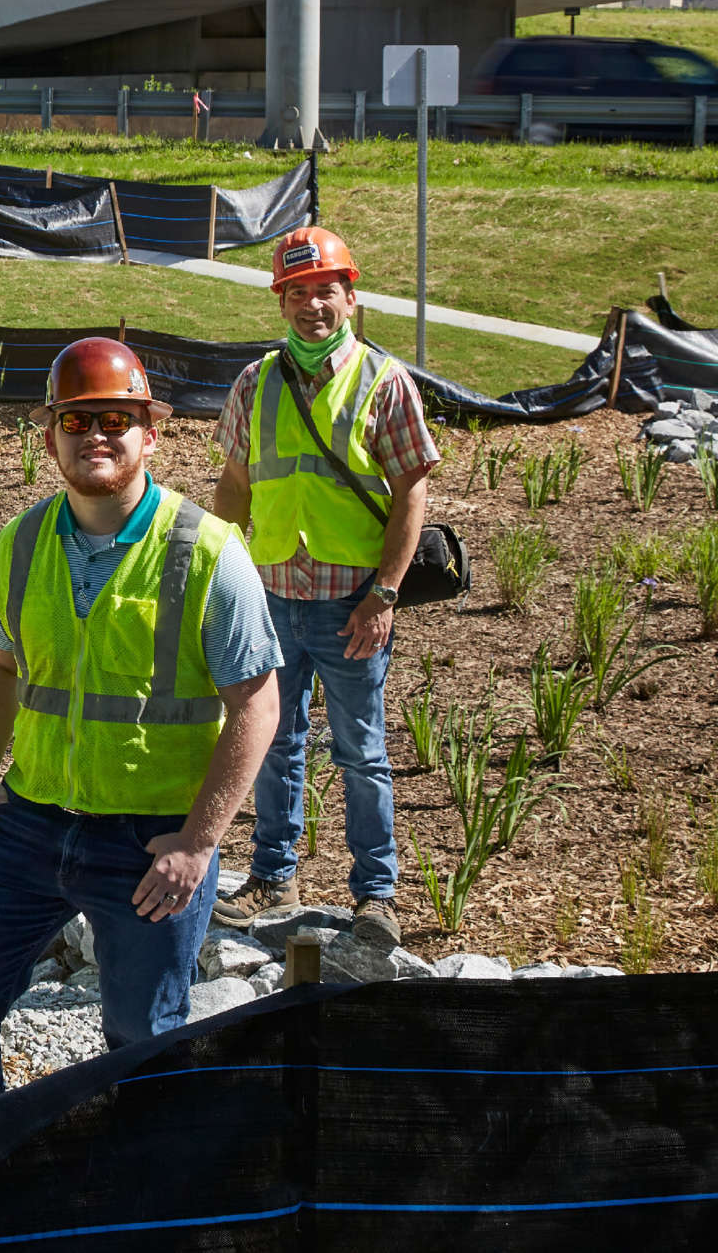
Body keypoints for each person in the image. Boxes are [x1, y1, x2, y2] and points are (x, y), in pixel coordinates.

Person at [0, 339, 281, 1113]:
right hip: (28, 823)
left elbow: (259, 705)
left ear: (151, 433)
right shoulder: (22, 542)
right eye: (77, 421)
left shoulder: (207, 550)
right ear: (50, 437)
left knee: (143, 1043)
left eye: (118, 418)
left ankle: (132, 1210)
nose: (97, 436)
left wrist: (198, 842)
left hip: (150, 845)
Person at [209, 228, 437, 950]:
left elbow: (411, 496)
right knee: (273, 743)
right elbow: (236, 486)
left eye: (326, 291)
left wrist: (387, 594)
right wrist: (218, 573)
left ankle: (376, 895)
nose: (313, 306)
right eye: (298, 292)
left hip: (353, 604)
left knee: (361, 751)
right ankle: (275, 875)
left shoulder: (385, 380)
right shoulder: (254, 383)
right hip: (272, 596)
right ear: (281, 300)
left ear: (351, 296)